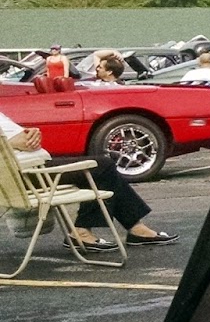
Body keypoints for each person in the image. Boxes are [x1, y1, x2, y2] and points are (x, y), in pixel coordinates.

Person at [0, 104, 178, 249]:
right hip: (26, 174)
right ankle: (84, 231)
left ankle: (133, 229)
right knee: (101, 166)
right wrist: (18, 140)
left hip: (31, 168)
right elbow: (19, 141)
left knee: (100, 168)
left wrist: (31, 134)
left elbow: (20, 137)